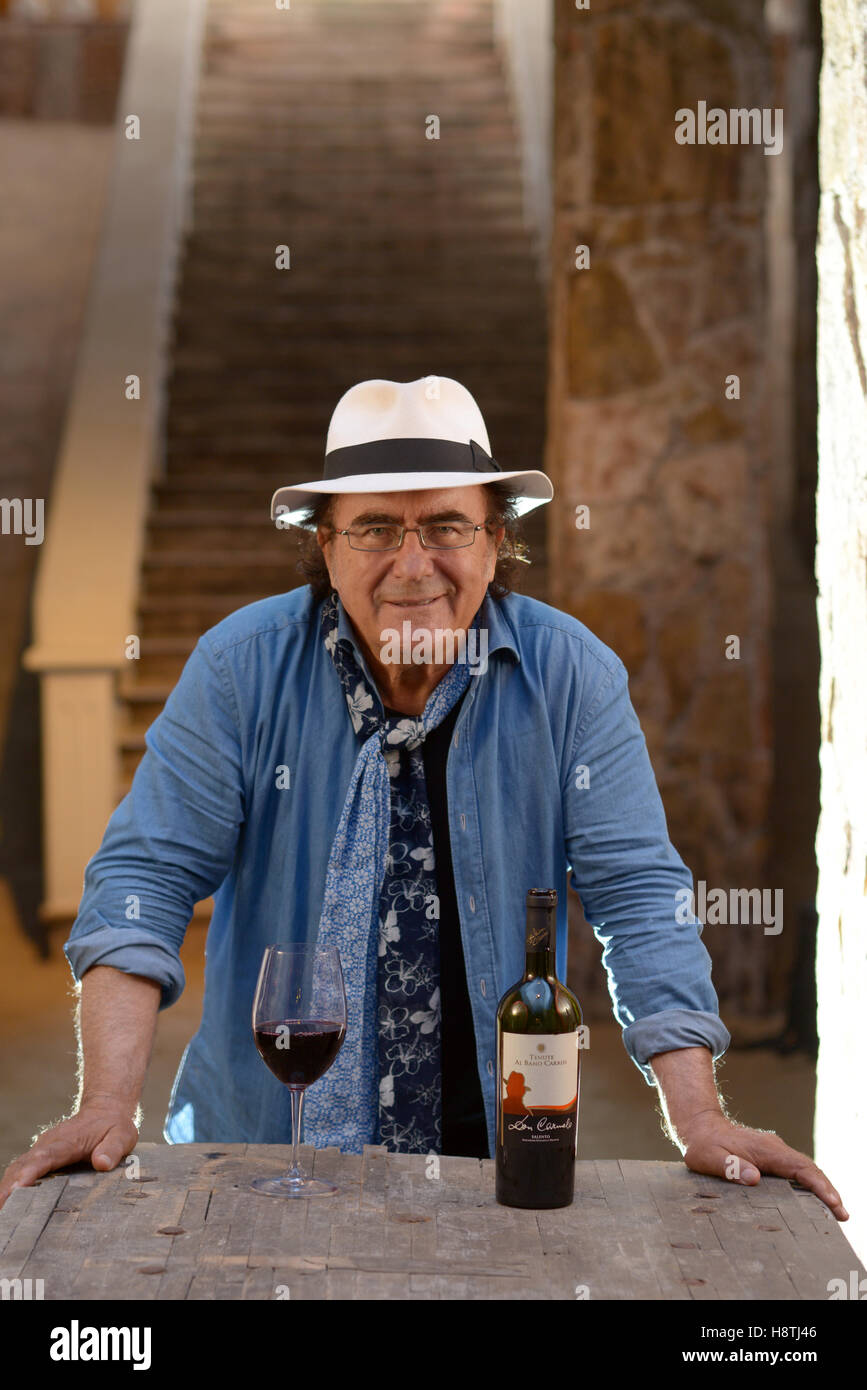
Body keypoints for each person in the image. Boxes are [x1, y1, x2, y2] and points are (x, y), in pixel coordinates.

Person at [0, 377, 848, 1220]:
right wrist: (107, 1102)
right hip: (259, 1154)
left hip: (498, 1160)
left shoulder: (571, 677)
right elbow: (141, 881)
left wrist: (697, 1114)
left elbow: (636, 895)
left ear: (494, 542)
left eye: (446, 526)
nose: (413, 566)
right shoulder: (238, 669)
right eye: (374, 529)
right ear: (325, 548)